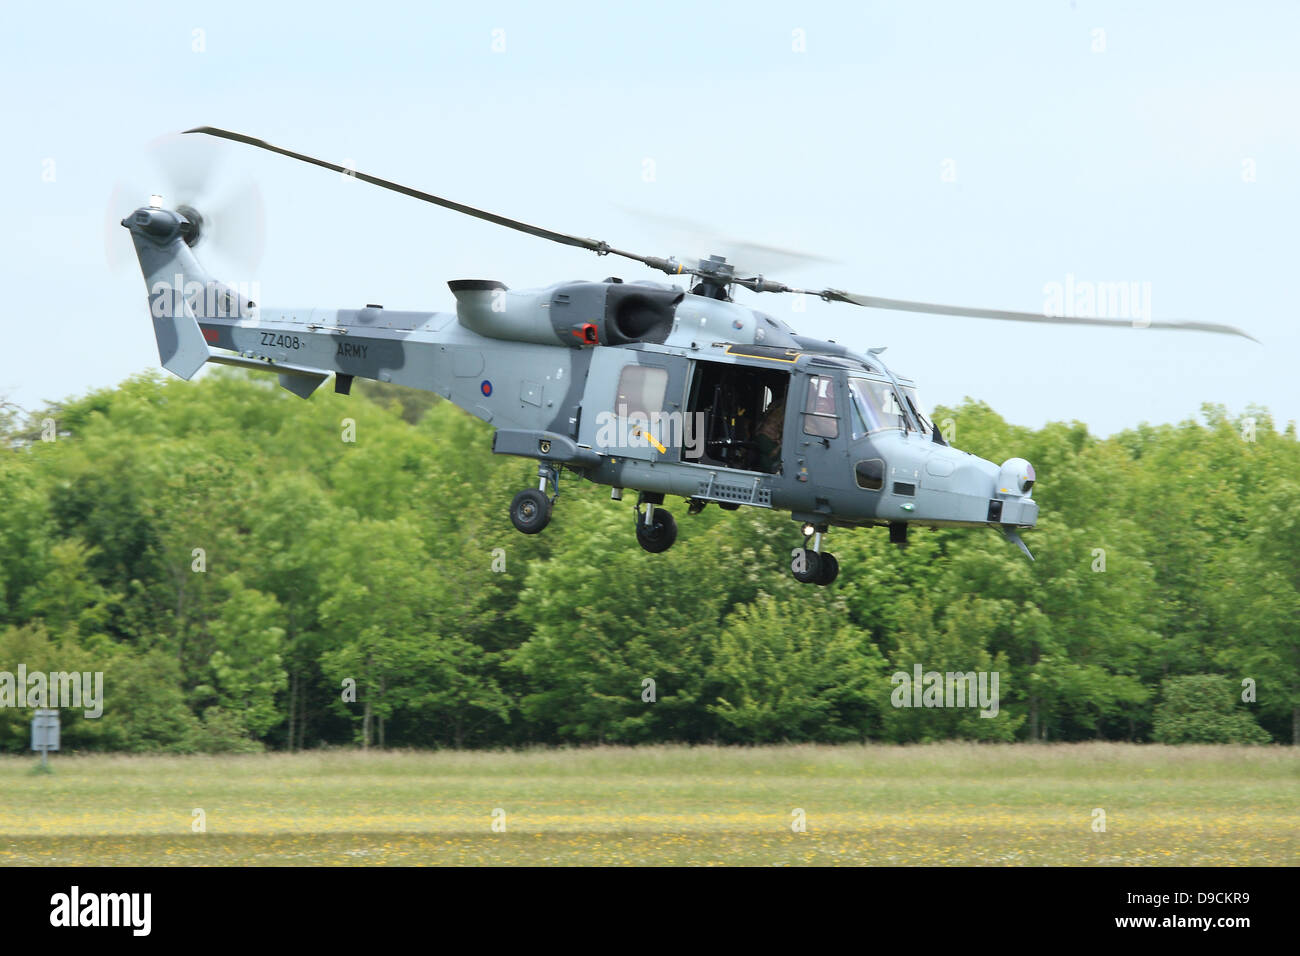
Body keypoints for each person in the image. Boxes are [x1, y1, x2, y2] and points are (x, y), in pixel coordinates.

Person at [755, 397, 784, 473]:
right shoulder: (763, 438)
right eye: (771, 422)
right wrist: (780, 446)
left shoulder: (777, 434)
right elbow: (772, 454)